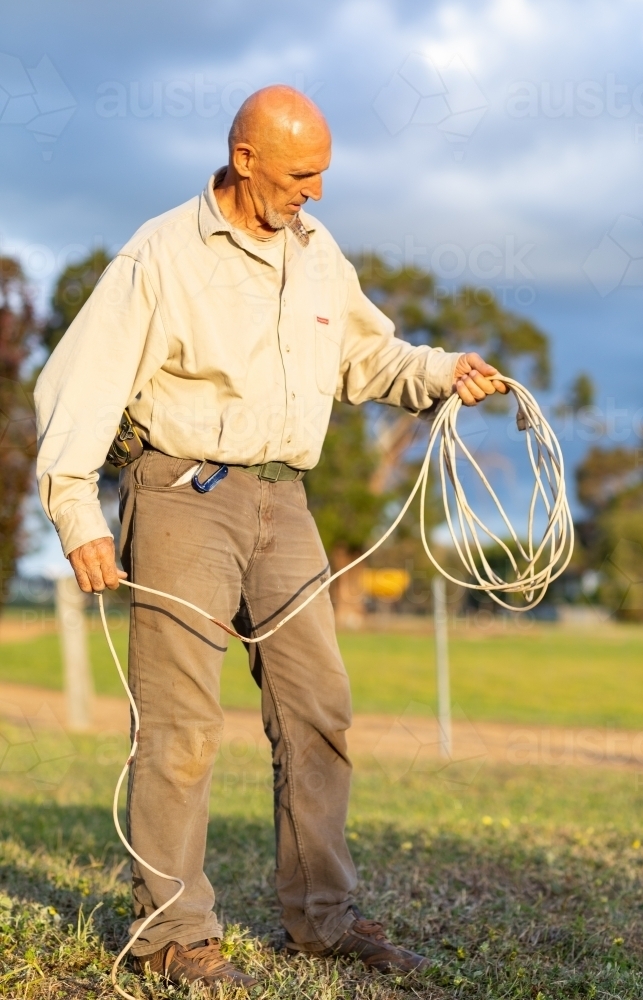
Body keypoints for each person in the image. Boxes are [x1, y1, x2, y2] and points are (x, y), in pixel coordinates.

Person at [35, 85, 508, 991]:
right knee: (181, 725)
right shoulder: (160, 255)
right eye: (300, 174)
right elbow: (77, 384)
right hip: (181, 495)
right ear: (243, 159)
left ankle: (325, 921)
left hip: (285, 504)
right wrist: (76, 514)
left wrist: (444, 371)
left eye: (324, 173)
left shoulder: (316, 252)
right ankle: (172, 930)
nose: (316, 192)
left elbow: (369, 357)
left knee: (318, 709)